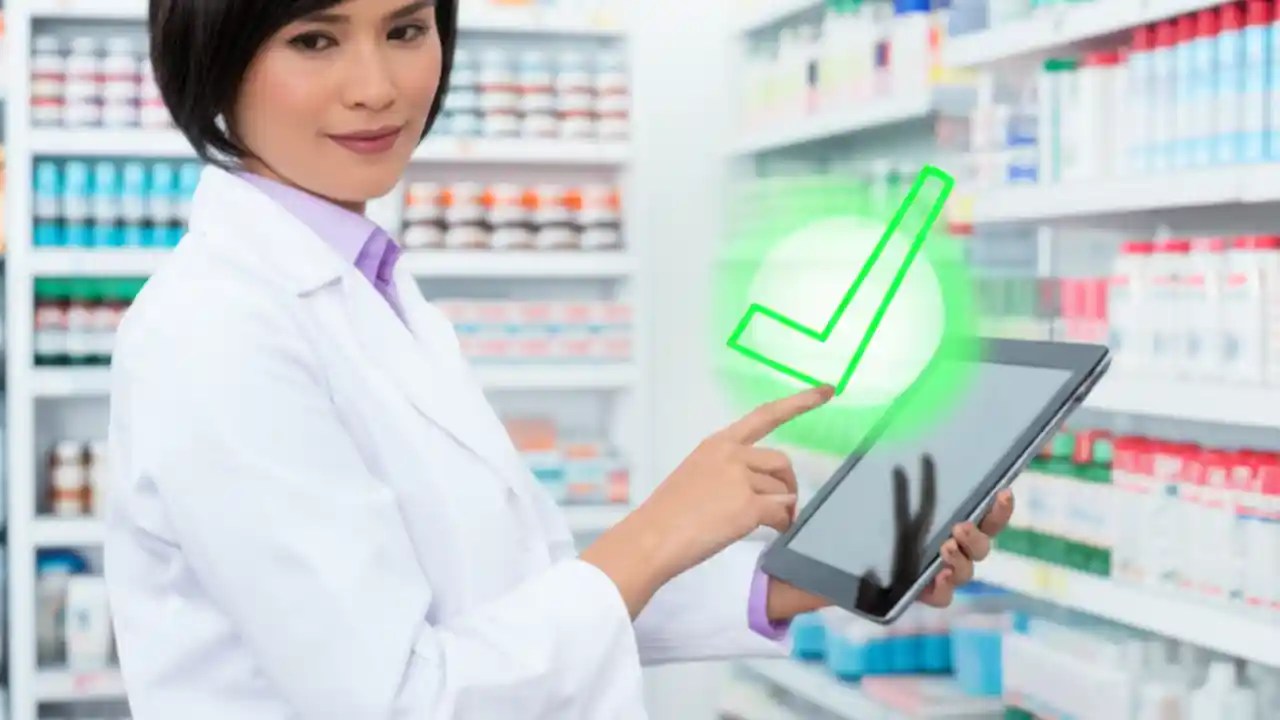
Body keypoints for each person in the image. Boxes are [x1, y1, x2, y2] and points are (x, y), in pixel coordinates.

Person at [104, 1, 1015, 718]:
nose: (377, 86)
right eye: (314, 40)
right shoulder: (215, 328)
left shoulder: (373, 288)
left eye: (407, 29)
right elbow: (396, 700)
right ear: (211, 54)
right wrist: (662, 526)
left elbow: (519, 607)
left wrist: (814, 573)